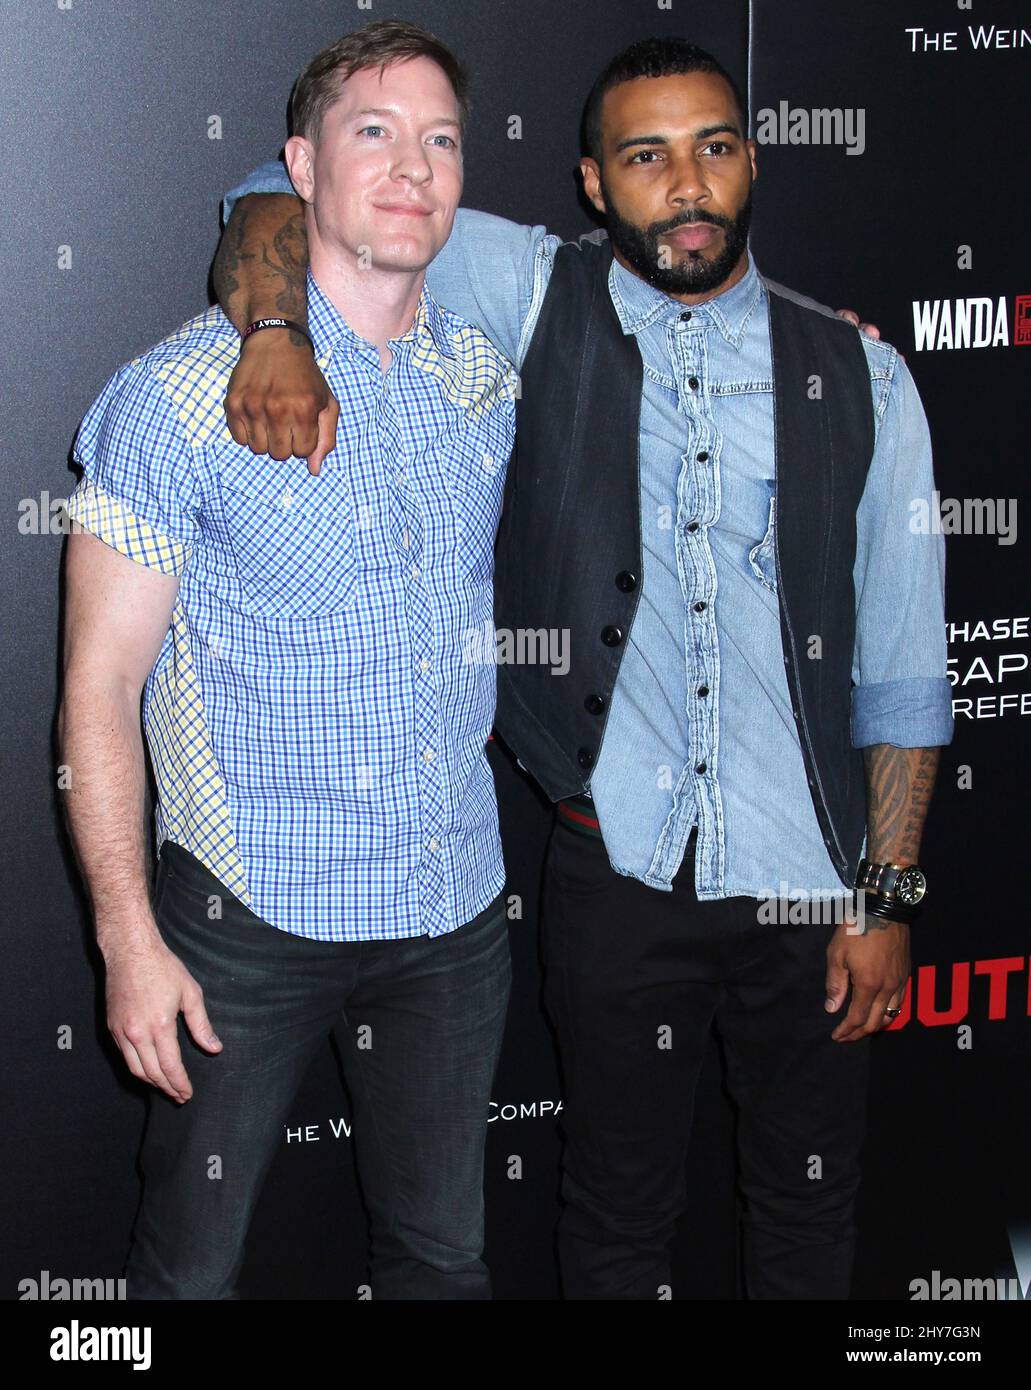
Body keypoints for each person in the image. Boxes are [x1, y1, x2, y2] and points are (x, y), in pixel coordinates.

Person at [220, 36, 953, 1300]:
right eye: (645, 156)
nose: (684, 186)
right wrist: (278, 325)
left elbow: (899, 670)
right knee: (613, 1218)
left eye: (712, 149)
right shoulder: (529, 289)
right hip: (617, 869)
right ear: (592, 183)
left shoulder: (864, 375)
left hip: (808, 886)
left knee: (806, 1215)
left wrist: (883, 901)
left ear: (751, 164)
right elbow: (271, 190)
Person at [59, 21, 517, 1300]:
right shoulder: (176, 394)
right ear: (296, 170)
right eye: (372, 133)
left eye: (439, 140)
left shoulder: (486, 375)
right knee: (187, 1276)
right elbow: (97, 688)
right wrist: (124, 938)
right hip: (248, 922)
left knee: (442, 1258)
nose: (412, 167)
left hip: (454, 907)